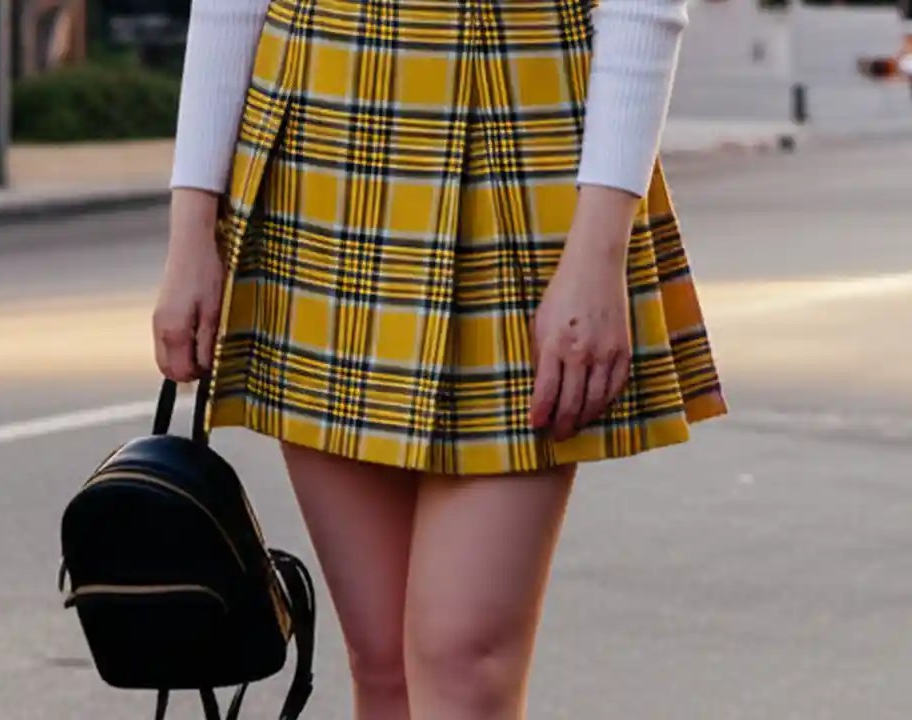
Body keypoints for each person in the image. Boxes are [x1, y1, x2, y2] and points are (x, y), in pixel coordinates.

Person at [154, 0, 726, 718]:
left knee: (465, 664)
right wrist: (190, 228)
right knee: (382, 662)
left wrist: (598, 249)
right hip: (320, 141)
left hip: (523, 141)